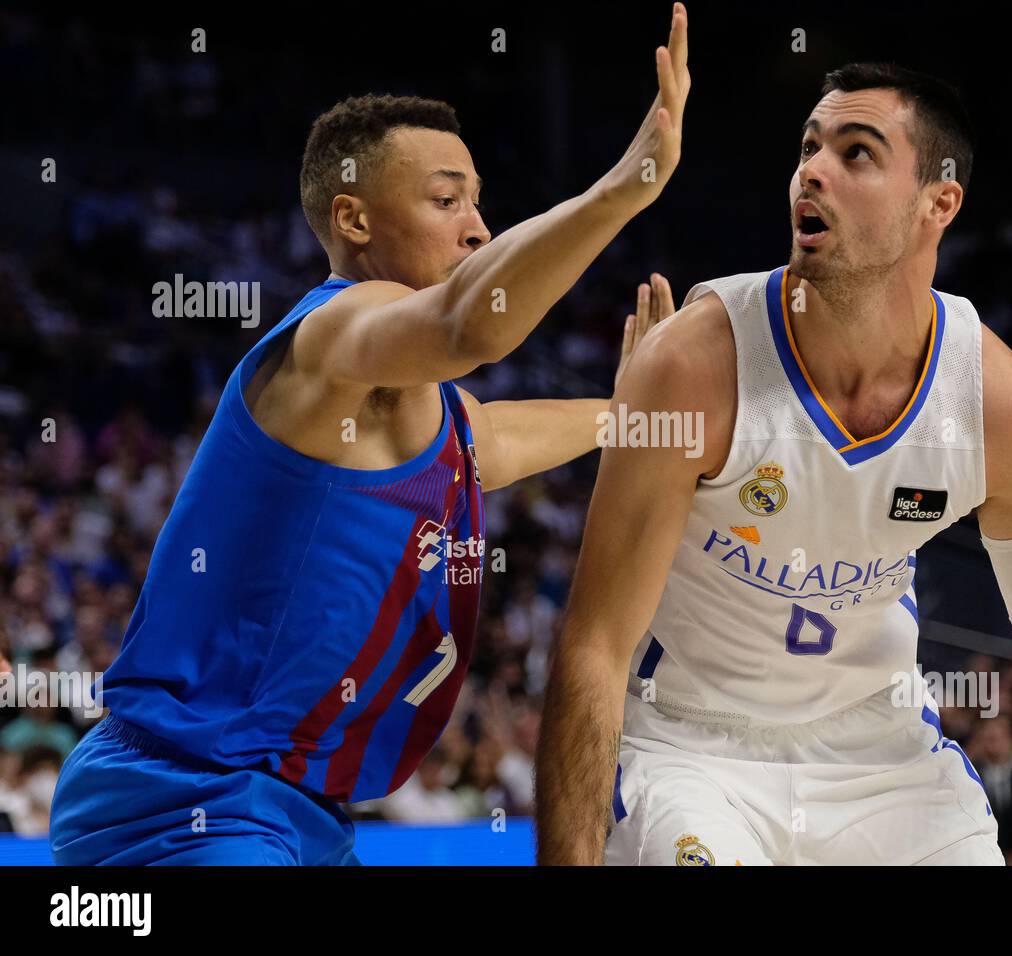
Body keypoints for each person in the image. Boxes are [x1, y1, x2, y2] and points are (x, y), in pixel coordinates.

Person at [535, 61, 1012, 866]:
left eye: (856, 152)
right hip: (693, 751)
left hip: (882, 758)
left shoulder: (999, 404)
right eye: (808, 147)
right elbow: (594, 645)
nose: (813, 170)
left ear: (940, 202)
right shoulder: (693, 365)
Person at [44, 4, 691, 866]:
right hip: (187, 797)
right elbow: (472, 327)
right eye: (445, 200)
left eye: (478, 202)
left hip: (297, 811)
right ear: (354, 221)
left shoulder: (412, 412)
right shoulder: (334, 335)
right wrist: (627, 187)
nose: (477, 227)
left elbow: (485, 444)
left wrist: (633, 411)